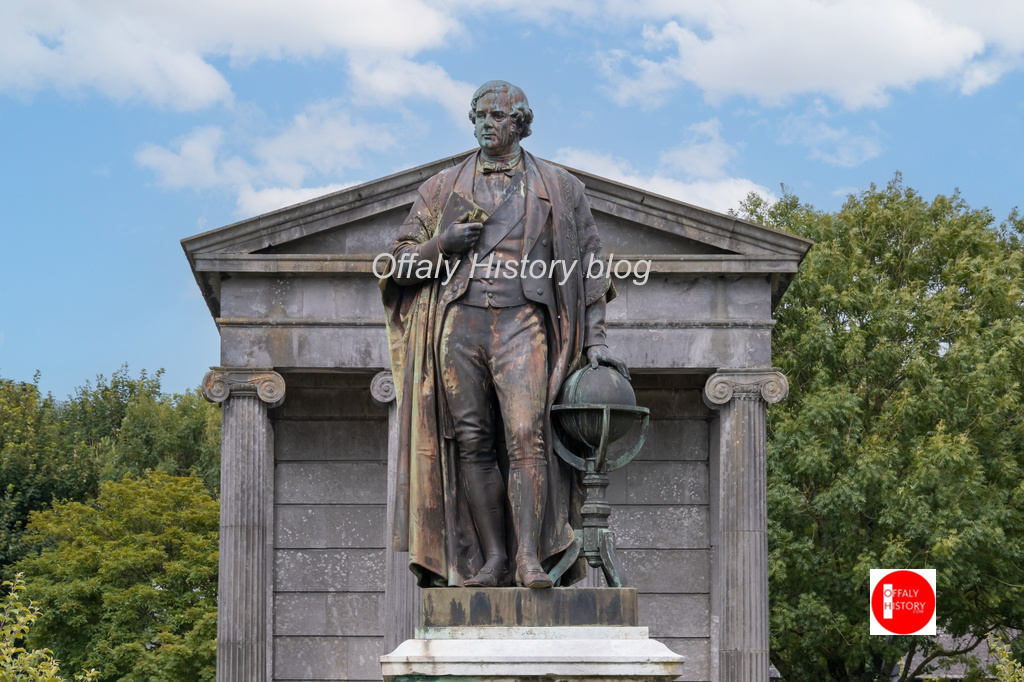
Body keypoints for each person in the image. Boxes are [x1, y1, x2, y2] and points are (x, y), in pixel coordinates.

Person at [381, 80, 628, 589]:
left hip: (524, 322)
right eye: (479, 114)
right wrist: (442, 244)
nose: (485, 123)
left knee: (525, 438)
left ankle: (530, 559)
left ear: (520, 122)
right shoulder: (441, 189)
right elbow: (395, 264)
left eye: (496, 115)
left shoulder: (560, 187)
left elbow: (590, 267)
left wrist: (597, 341)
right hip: (459, 323)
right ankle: (493, 560)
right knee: (471, 442)